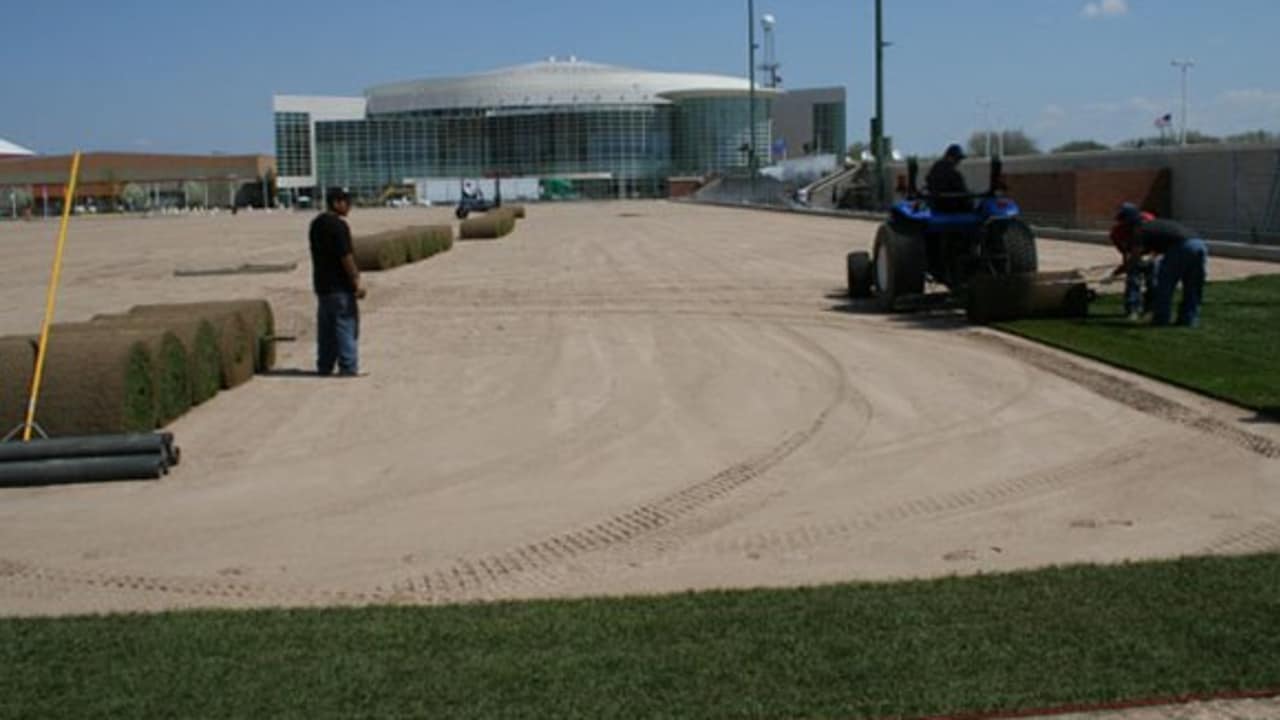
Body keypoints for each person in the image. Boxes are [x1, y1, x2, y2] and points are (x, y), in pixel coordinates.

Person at [1113, 202, 1209, 327]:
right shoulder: (1154, 225)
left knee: (1165, 285)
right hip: (1199, 244)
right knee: (1193, 286)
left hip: (1180, 248)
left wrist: (1121, 269)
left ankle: (1161, 319)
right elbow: (1153, 249)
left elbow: (1135, 257)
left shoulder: (1139, 230)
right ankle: (1189, 320)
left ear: (1128, 221)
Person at [309, 187, 367, 375]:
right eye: (346, 203)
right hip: (339, 286)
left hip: (322, 285)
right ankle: (348, 367)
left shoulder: (316, 224)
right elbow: (346, 256)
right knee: (346, 326)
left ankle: (324, 366)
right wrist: (356, 280)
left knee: (326, 331)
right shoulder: (339, 226)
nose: (349, 207)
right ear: (336, 203)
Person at [1109, 203, 1157, 320]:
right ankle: (1132, 309)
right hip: (1134, 255)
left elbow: (1158, 242)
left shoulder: (1148, 221)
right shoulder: (1117, 233)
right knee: (1132, 281)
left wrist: (1151, 256)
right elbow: (1125, 253)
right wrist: (1125, 266)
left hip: (1150, 253)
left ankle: (1150, 309)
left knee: (1153, 282)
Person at [926, 143, 971, 212]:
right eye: (957, 159)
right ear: (950, 157)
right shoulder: (954, 174)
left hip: (936, 204)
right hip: (950, 206)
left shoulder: (935, 168)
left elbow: (929, 182)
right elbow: (962, 190)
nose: (958, 162)